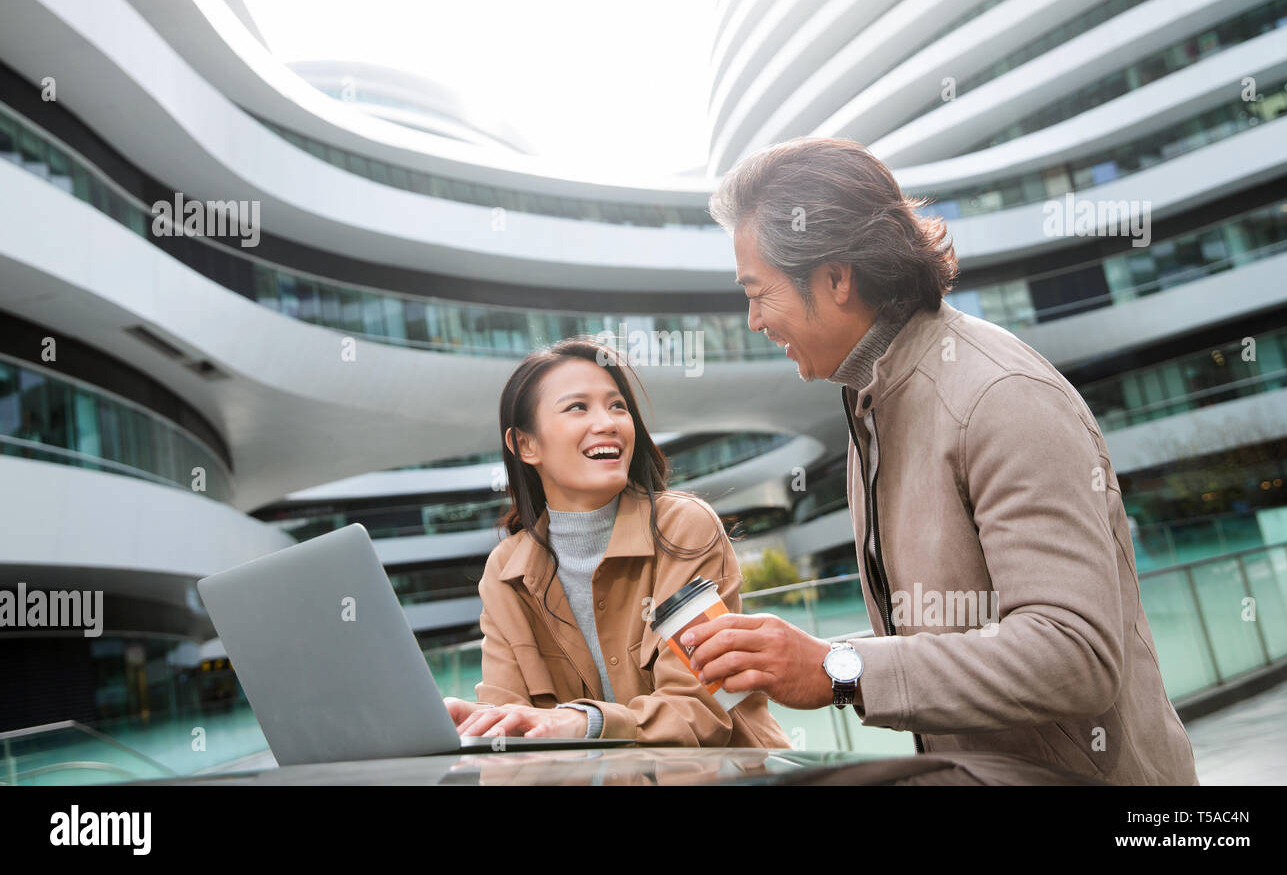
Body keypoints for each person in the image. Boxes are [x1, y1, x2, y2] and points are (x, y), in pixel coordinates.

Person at [682, 137, 1199, 785]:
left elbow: (1076, 653)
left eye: (758, 292)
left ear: (837, 277)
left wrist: (837, 670)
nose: (754, 319)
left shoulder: (999, 395)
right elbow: (947, 641)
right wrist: (813, 659)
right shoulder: (873, 405)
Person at [444, 337, 790, 748]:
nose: (607, 422)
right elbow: (512, 712)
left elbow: (700, 710)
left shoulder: (683, 527)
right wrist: (491, 724)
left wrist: (582, 722)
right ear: (525, 444)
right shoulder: (504, 572)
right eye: (578, 407)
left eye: (617, 405)